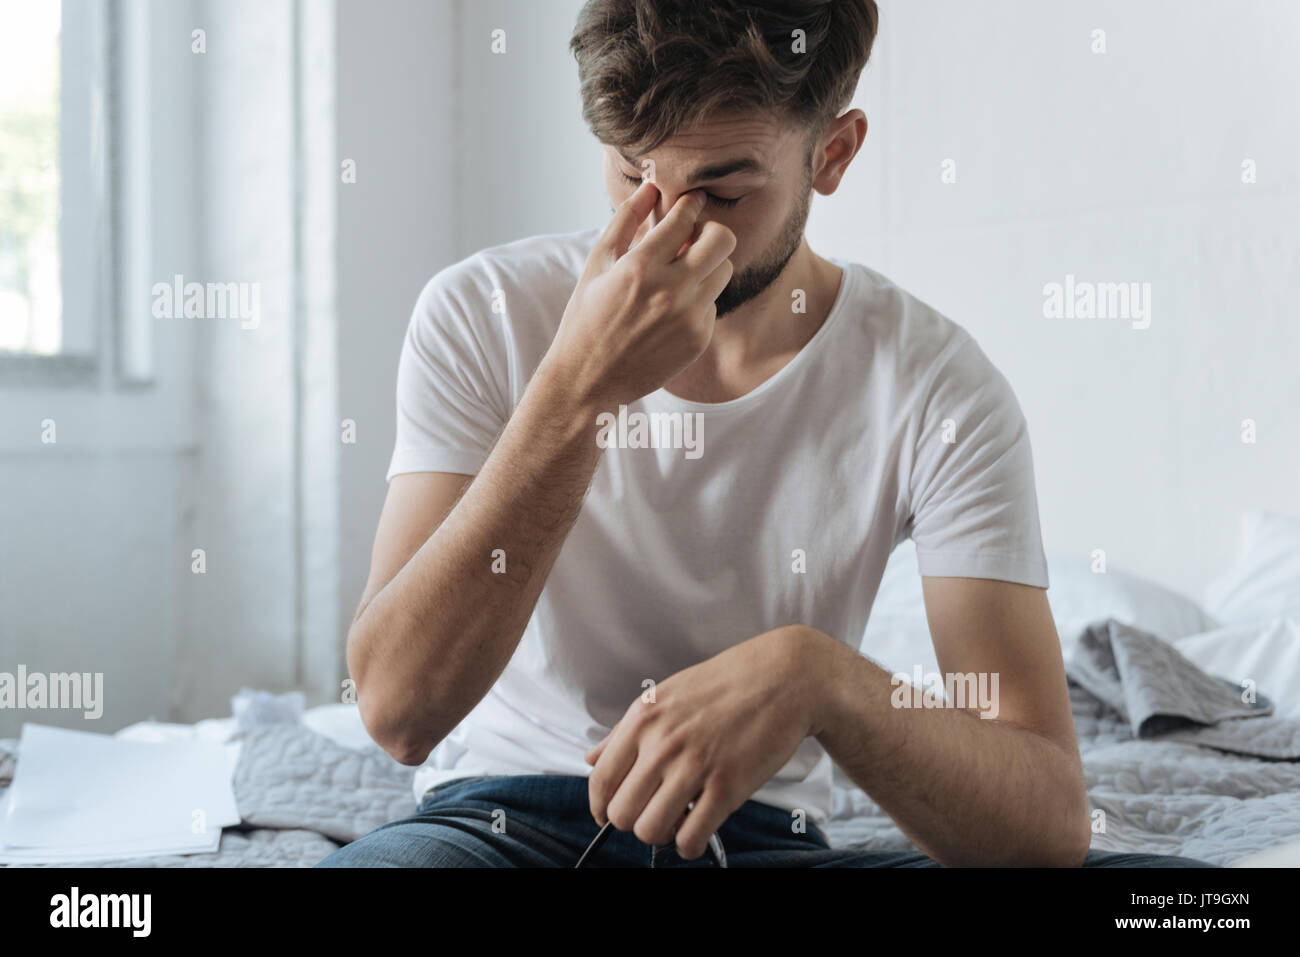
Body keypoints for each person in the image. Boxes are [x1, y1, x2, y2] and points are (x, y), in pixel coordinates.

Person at [318, 0, 1213, 868]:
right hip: (499, 823)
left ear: (833, 152)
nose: (664, 232)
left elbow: (1051, 816)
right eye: (634, 176)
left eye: (721, 190)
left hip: (757, 835)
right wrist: (579, 387)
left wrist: (819, 680)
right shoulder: (481, 314)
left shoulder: (936, 385)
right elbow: (398, 713)